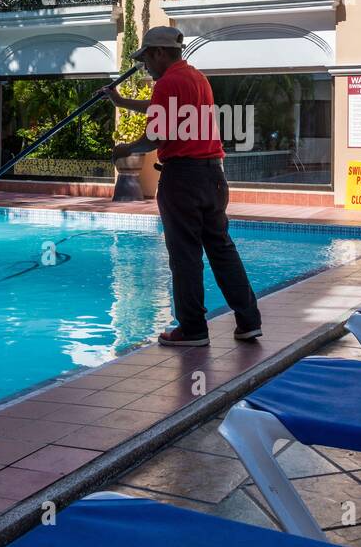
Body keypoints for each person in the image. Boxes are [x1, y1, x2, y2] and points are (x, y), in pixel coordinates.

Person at [107, 26, 262, 347]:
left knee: (185, 256)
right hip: (214, 177)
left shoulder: (167, 83)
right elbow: (162, 110)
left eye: (147, 57)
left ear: (159, 53)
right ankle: (249, 321)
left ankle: (193, 329)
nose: (145, 65)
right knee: (221, 250)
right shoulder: (196, 79)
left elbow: (155, 136)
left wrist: (126, 149)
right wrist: (122, 102)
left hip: (182, 179)